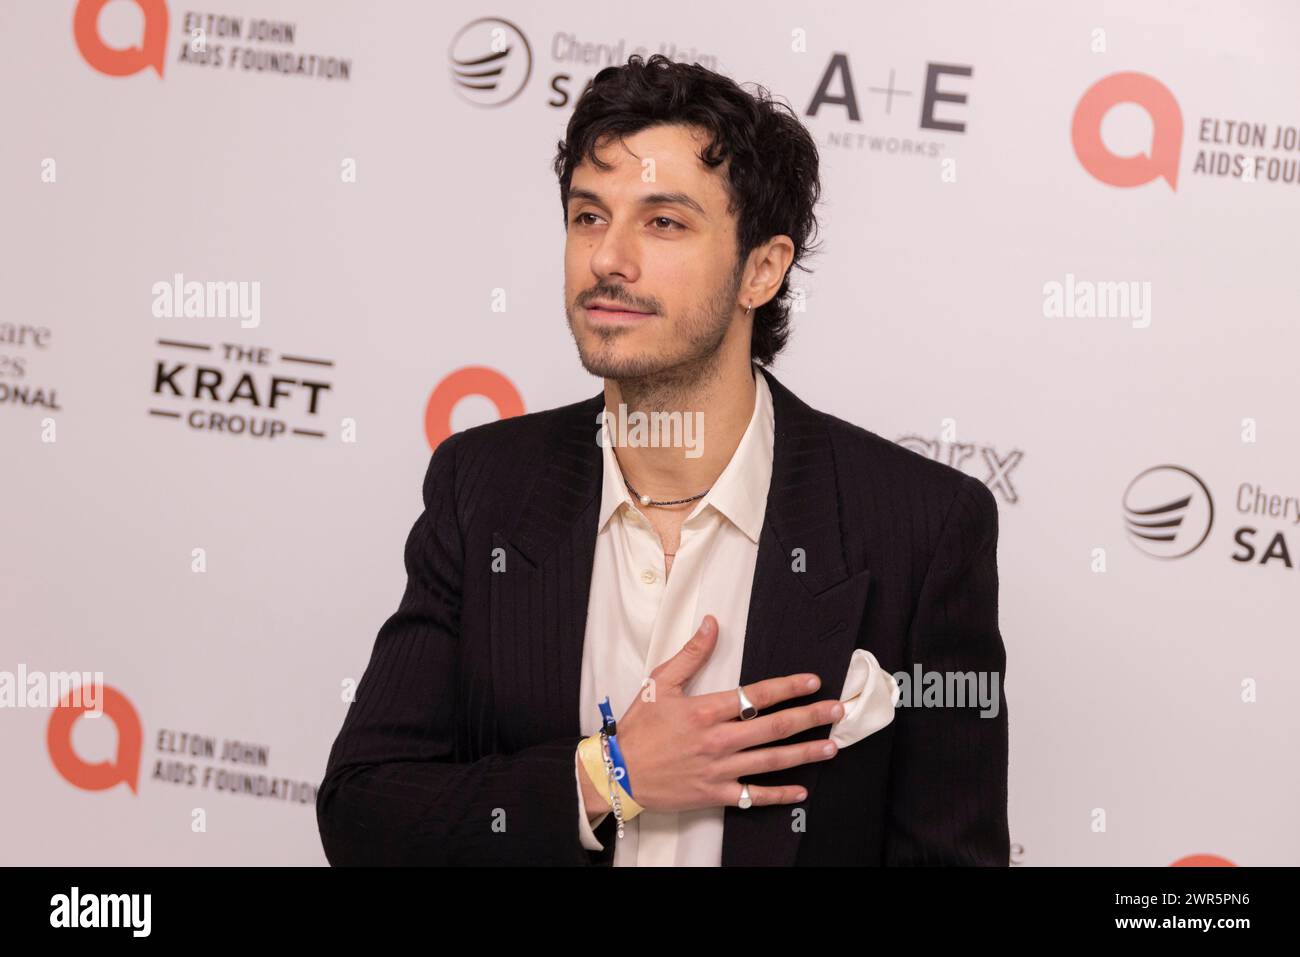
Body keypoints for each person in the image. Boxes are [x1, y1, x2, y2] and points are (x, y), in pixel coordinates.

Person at [316, 54, 1008, 866]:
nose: (609, 257)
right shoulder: (483, 487)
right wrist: (608, 773)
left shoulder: (921, 527)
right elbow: (364, 811)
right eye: (587, 216)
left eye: (663, 221)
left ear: (762, 268)